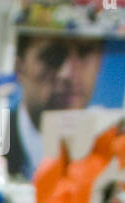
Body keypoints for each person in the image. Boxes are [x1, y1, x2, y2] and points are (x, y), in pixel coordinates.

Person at [7, 32, 105, 179]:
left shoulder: (103, 151)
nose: (67, 73)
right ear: (20, 68)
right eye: (52, 55)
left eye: (84, 52)